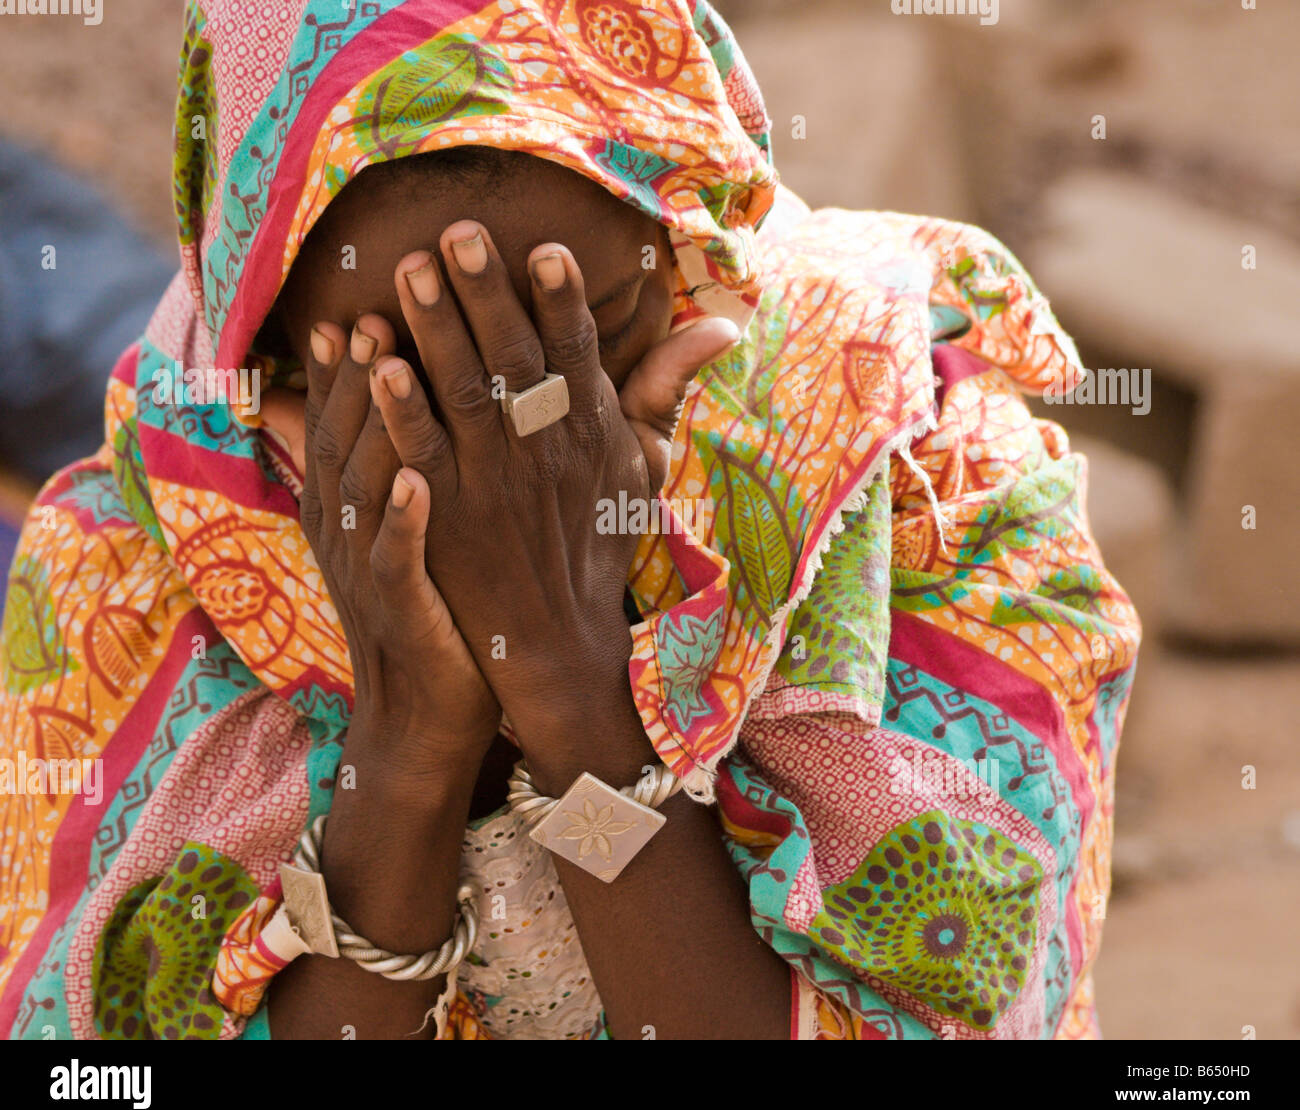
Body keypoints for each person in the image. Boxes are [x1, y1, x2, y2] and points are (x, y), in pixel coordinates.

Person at [0, 0, 1139, 1041]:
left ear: (688, 242)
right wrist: (409, 742)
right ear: (272, 341)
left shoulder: (910, 471)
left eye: (588, 328)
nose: (512, 441)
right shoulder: (143, 559)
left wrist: (565, 680)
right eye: (401, 371)